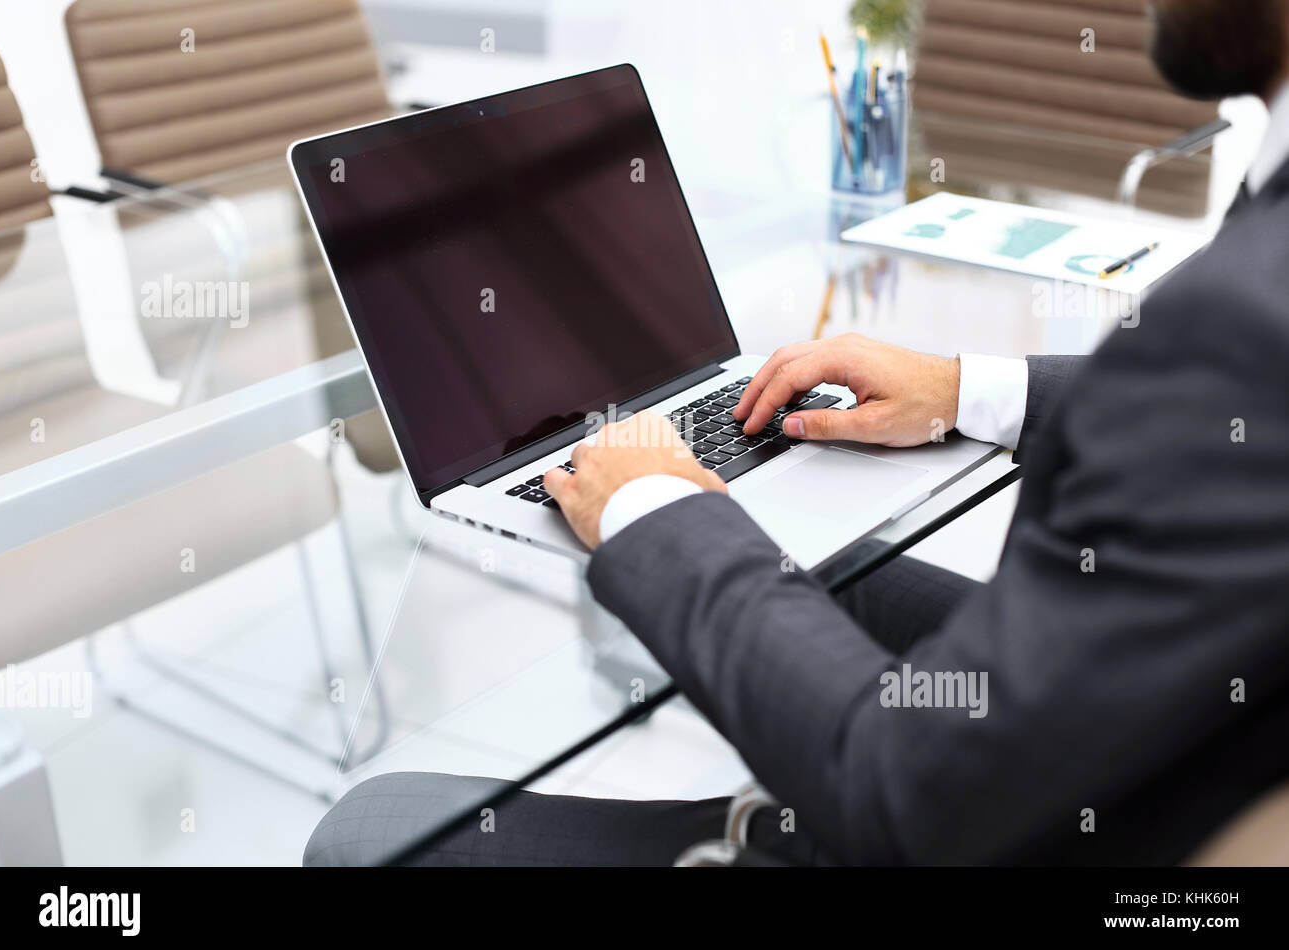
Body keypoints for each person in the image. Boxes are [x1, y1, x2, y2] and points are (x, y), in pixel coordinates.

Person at [305, 0, 1289, 866]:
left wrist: (657, 505)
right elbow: (1230, 423)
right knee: (825, 565)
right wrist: (959, 387)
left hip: (1039, 816)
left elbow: (898, 797)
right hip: (1162, 729)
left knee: (368, 824)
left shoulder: (1235, 324)